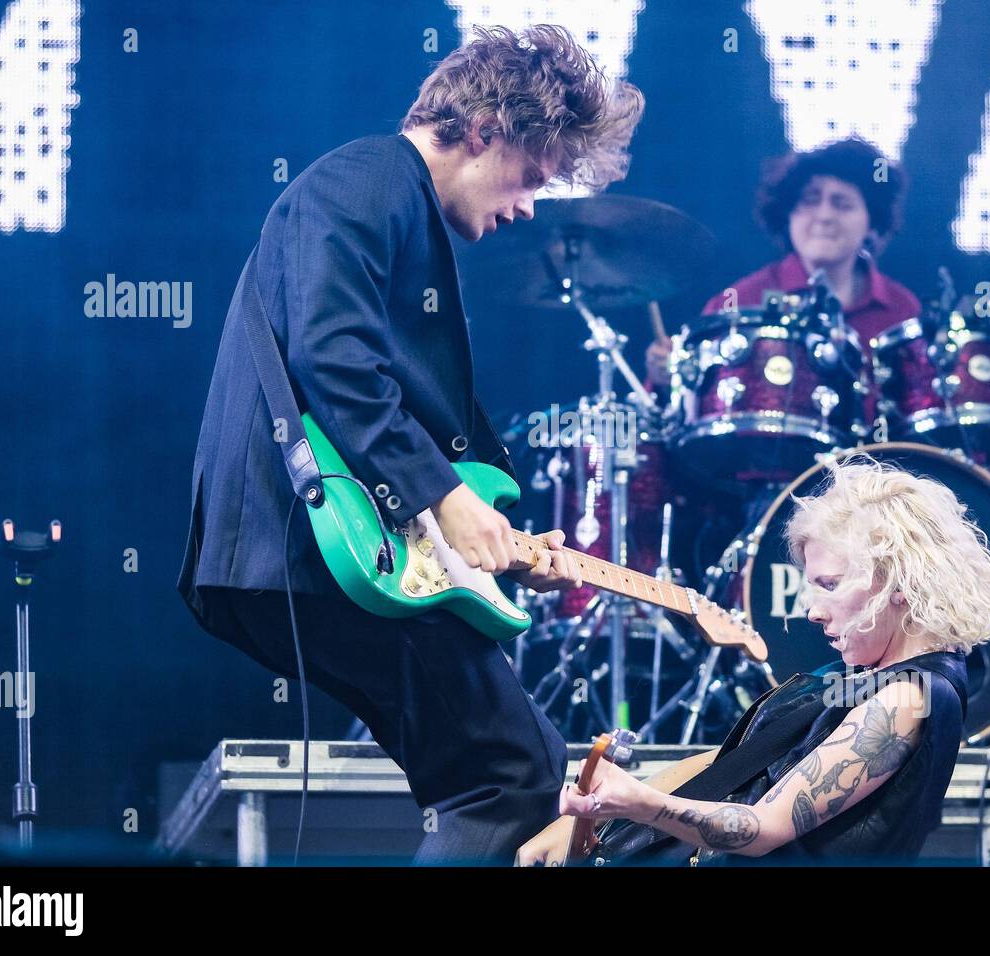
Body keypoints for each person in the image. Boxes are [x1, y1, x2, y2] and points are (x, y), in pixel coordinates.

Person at [176, 24, 644, 865]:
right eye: (533, 175)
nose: (531, 203)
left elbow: (389, 394)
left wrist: (491, 521)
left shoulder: (389, 199)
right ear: (485, 129)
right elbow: (334, 358)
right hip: (304, 546)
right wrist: (446, 500)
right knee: (509, 771)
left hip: (317, 548)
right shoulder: (367, 178)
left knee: (505, 768)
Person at [516, 455, 990, 865]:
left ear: (900, 583)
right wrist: (594, 816)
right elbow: (730, 764)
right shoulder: (853, 680)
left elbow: (765, 827)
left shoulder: (908, 698)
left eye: (830, 585)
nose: (811, 611)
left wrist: (637, 803)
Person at [645, 137, 918, 401]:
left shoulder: (903, 311)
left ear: (872, 223)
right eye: (810, 200)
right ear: (786, 215)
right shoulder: (737, 303)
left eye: (842, 204)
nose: (824, 216)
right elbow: (683, 420)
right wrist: (665, 381)